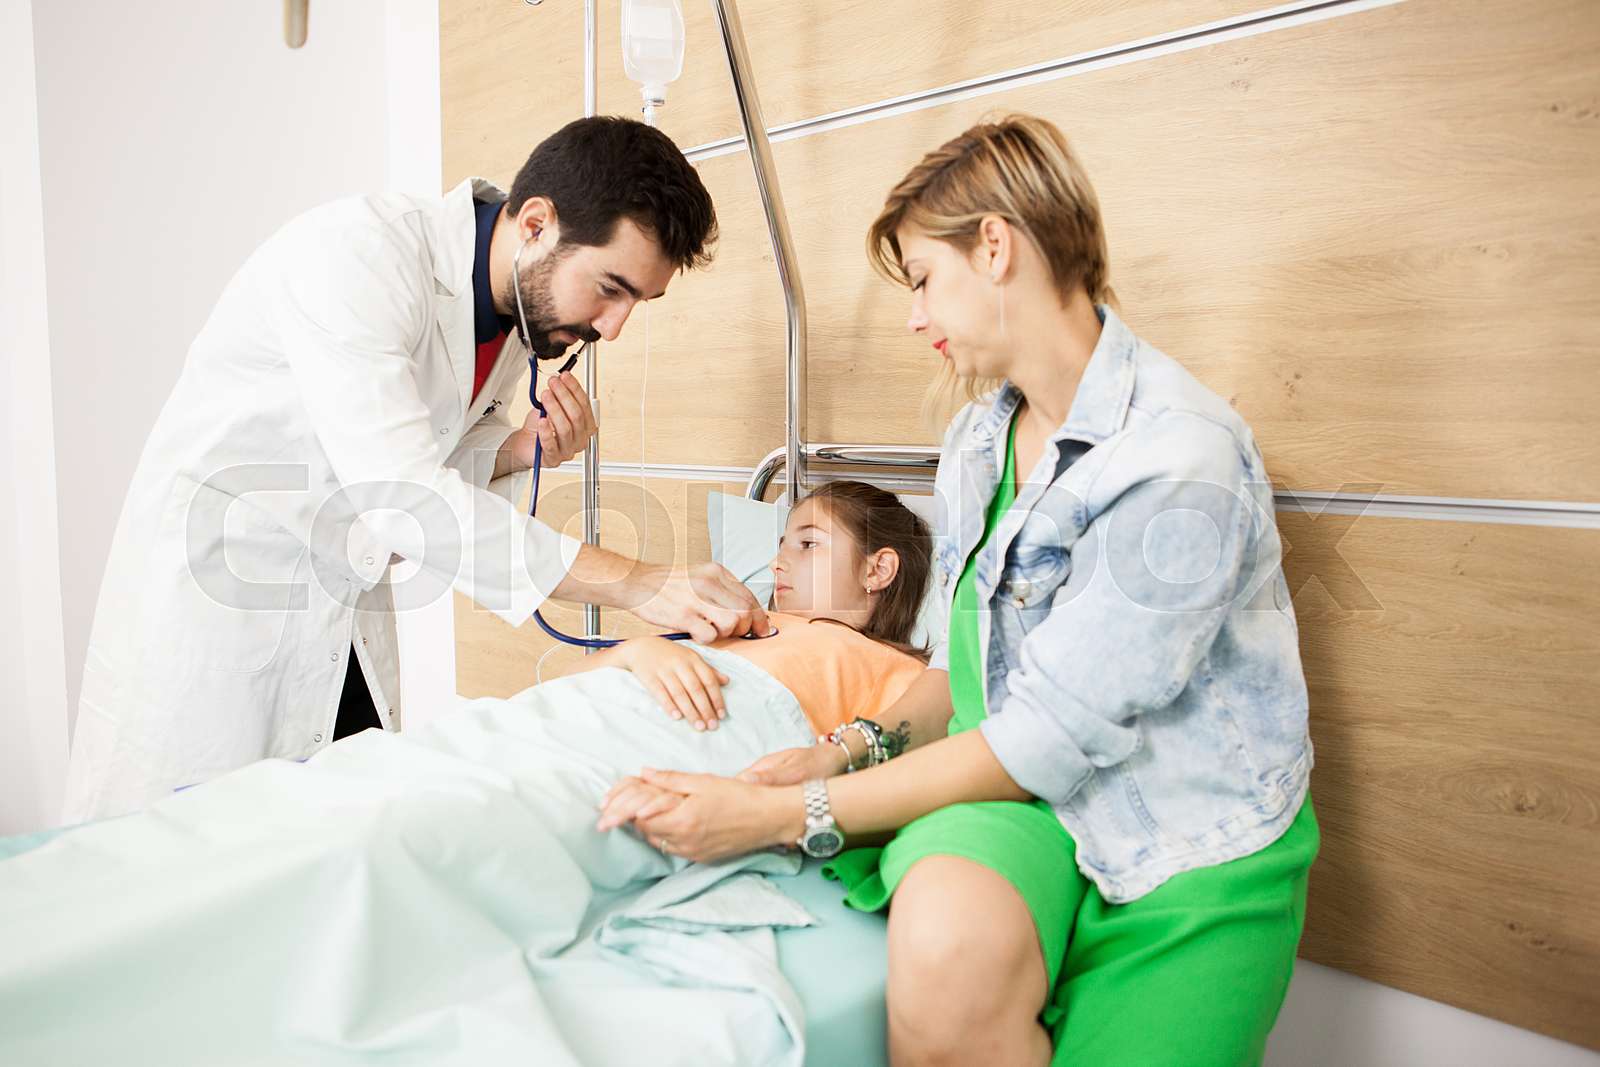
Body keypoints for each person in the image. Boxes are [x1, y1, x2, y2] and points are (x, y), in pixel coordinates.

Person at [601, 114, 1319, 1067]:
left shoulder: (1181, 460)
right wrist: (846, 750)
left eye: (923, 281)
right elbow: (962, 669)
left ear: (995, 246)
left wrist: (782, 816)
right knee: (942, 956)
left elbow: (1044, 738)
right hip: (1026, 807)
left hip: (1181, 844)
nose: (914, 316)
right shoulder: (982, 441)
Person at [63, 116, 769, 824]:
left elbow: (423, 460)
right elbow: (405, 501)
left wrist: (523, 448)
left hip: (339, 614)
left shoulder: (520, 318)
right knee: (177, 868)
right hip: (223, 605)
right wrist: (638, 582)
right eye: (611, 288)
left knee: (329, 849)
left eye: (637, 303)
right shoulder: (357, 258)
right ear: (535, 224)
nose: (613, 328)